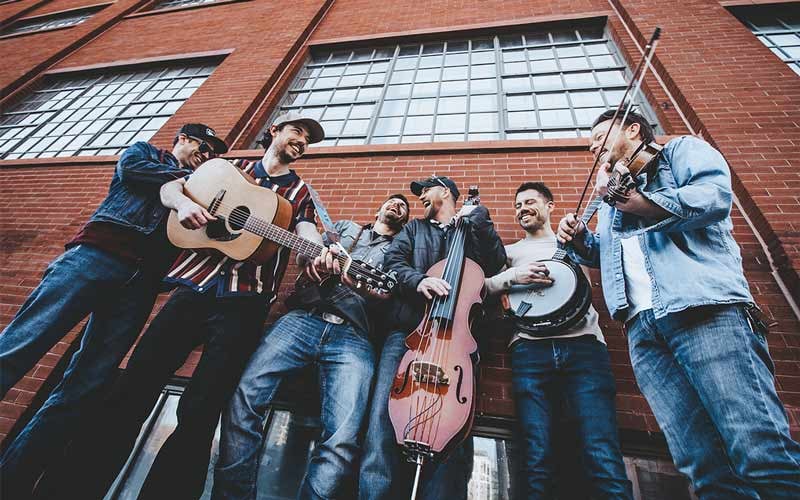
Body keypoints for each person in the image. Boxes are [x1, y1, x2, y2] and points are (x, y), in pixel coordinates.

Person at [32, 111, 325, 500]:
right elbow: (175, 192)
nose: (301, 141)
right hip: (190, 288)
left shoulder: (302, 192)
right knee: (132, 388)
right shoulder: (226, 168)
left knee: (201, 412)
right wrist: (184, 206)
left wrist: (317, 251)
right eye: (297, 131)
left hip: (246, 303)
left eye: (308, 139)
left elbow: (306, 227)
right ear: (274, 132)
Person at [557, 109, 800, 498]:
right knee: (701, 467)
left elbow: (712, 198)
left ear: (633, 129)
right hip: (641, 327)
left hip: (703, 307)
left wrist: (633, 200)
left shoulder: (680, 152)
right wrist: (580, 240)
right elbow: (612, 254)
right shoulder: (610, 194)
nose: (592, 147)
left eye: (600, 137)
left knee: (760, 451)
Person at [0, 123, 227, 498]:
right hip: (94, 259)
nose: (207, 156)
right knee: (19, 348)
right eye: (203, 147)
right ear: (183, 140)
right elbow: (145, 175)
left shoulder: (196, 189)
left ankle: (11, 482)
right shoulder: (144, 153)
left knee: (85, 384)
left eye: (212, 154)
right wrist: (196, 189)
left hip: (139, 288)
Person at [212, 193, 410, 500]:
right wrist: (313, 261)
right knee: (244, 398)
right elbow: (304, 253)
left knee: (343, 437)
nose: (396, 206)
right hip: (303, 319)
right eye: (392, 201)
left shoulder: (400, 250)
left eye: (403, 207)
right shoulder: (344, 227)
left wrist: (353, 281)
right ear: (380, 208)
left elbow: (390, 296)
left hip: (355, 336)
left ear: (405, 220)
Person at [358, 175, 506, 500]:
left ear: (447, 192)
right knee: (383, 424)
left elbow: (495, 263)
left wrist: (479, 219)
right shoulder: (414, 229)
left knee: (453, 431)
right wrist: (419, 281)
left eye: (427, 190)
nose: (422, 196)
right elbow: (392, 263)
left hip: (457, 345)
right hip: (408, 335)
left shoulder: (472, 227)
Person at [484, 181, 632, 499]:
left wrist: (580, 235)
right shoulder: (510, 254)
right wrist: (513, 277)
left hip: (585, 348)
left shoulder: (578, 242)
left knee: (602, 452)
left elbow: (607, 262)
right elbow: (480, 288)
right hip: (529, 350)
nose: (522, 208)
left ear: (550, 206)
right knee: (537, 454)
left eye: (530, 202)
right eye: (518, 205)